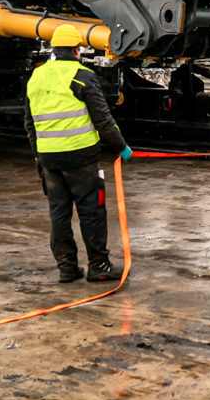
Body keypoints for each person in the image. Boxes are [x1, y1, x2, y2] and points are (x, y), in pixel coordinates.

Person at [25, 25, 134, 284]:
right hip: (81, 159)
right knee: (91, 211)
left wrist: (39, 156)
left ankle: (67, 268)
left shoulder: (36, 77)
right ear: (77, 51)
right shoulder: (83, 76)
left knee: (59, 213)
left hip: (49, 158)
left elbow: (29, 123)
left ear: (53, 50)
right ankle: (98, 265)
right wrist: (122, 148)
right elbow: (103, 120)